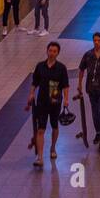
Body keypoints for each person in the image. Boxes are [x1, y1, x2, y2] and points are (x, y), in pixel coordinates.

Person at [26, 40, 69, 168]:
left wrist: (66, 99)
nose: (51, 53)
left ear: (58, 53)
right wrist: (31, 94)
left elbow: (65, 85)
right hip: (42, 101)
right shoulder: (40, 66)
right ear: (47, 51)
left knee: (55, 126)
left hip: (55, 100)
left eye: (54, 51)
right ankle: (39, 157)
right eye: (50, 51)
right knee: (41, 129)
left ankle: (53, 148)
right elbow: (35, 82)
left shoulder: (61, 68)